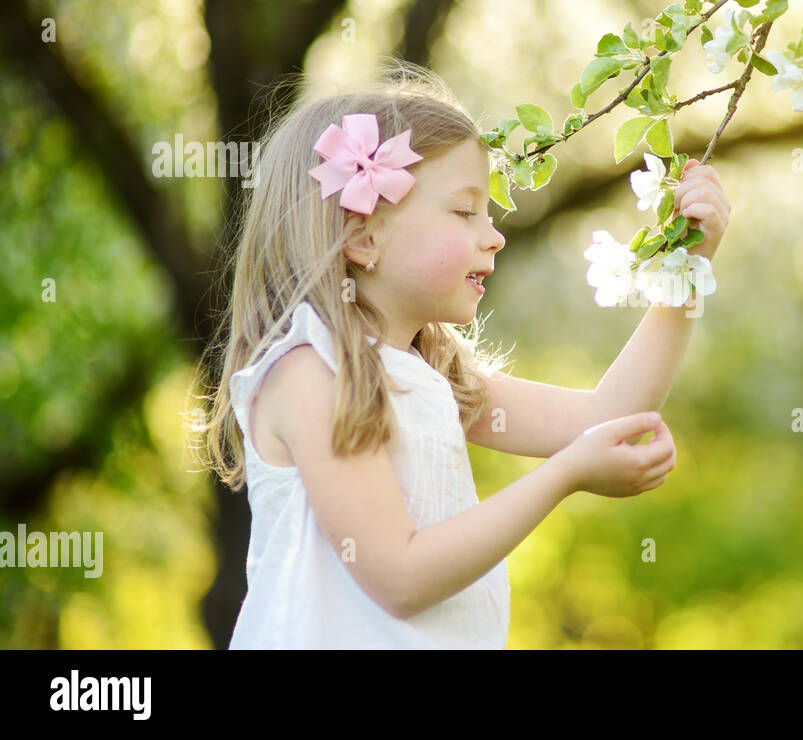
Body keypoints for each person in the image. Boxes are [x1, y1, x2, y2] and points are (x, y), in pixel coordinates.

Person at [193, 63, 732, 648]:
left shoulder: (433, 375)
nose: (494, 234)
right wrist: (566, 474)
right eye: (464, 211)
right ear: (364, 237)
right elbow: (398, 575)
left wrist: (689, 267)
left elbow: (607, 416)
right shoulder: (311, 371)